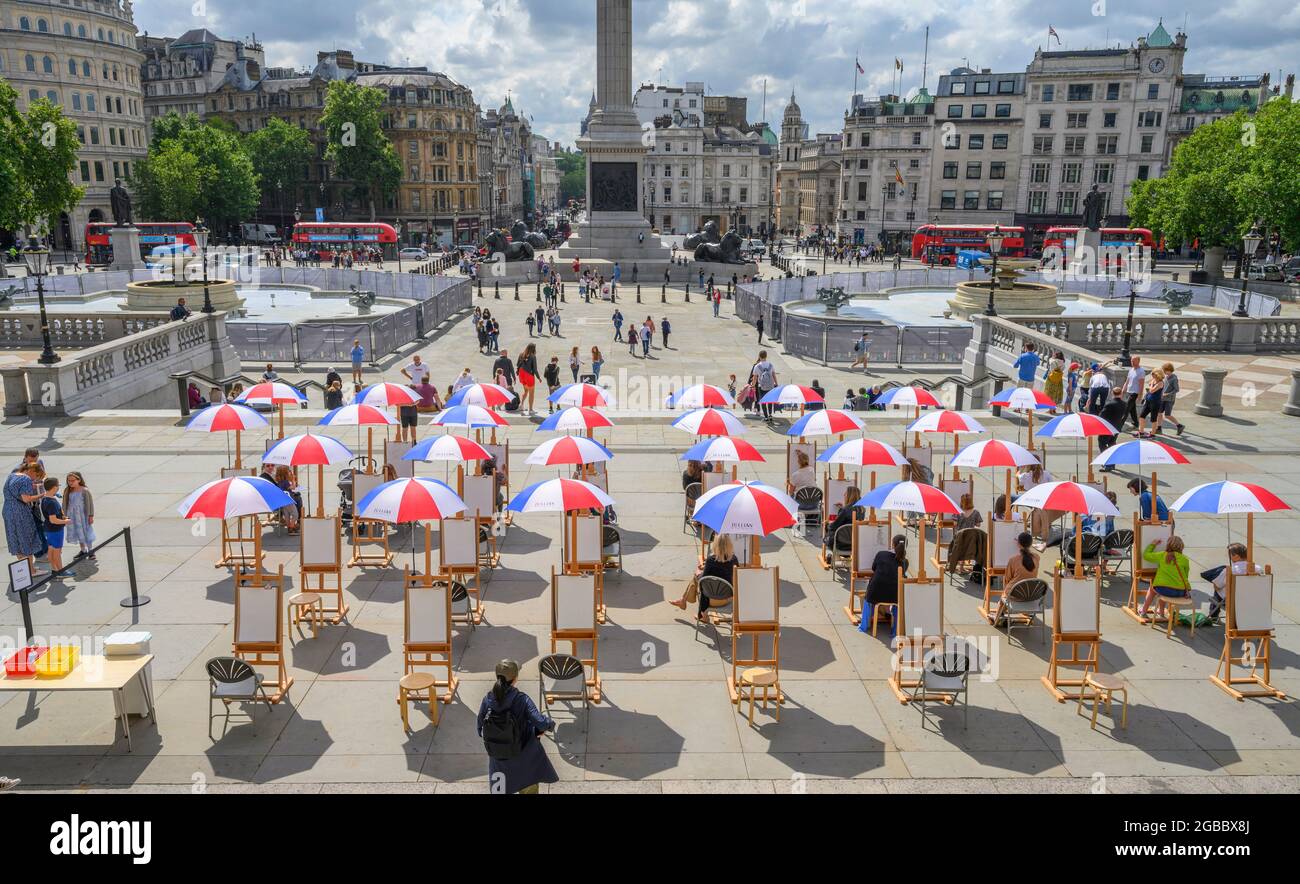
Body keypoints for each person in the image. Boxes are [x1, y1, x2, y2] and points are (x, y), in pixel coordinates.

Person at [476, 659, 558, 795]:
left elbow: (479, 729)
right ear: (515, 678)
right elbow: (541, 723)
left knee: (500, 791)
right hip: (524, 759)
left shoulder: (488, 700)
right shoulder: (522, 699)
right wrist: (549, 724)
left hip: (498, 761)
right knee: (529, 789)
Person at [669, 534, 739, 621]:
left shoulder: (710, 560)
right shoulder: (734, 559)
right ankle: (683, 601)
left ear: (715, 544)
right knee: (701, 578)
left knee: (697, 577)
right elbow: (737, 578)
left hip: (710, 599)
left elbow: (703, 582)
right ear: (729, 544)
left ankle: (698, 612)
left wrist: (699, 572)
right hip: (727, 599)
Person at [1203, 543, 1265, 622]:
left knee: (1217, 589)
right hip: (1253, 598)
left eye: (1230, 555)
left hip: (1233, 601)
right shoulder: (1258, 568)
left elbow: (1217, 586)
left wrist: (1215, 585)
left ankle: (1213, 616)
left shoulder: (1230, 570)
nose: (1229, 557)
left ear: (1236, 556)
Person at [1138, 535, 1191, 619]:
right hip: (1180, 592)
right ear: (1181, 547)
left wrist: (1153, 544)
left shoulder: (1162, 555)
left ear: (1168, 545)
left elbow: (1146, 555)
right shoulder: (1185, 560)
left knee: (1153, 589)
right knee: (1163, 589)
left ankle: (1143, 611)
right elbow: (1186, 576)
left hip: (1164, 590)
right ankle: (1161, 612)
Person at [4, 463, 46, 570]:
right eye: (36, 476)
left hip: (8, 510)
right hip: (20, 512)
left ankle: (25, 571)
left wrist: (36, 486)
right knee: (27, 539)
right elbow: (26, 499)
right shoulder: (26, 479)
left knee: (16, 539)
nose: (35, 479)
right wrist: (42, 495)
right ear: (32, 471)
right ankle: (31, 570)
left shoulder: (13, 475)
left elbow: (16, 489)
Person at [861, 535, 908, 629]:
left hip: (874, 594)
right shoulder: (905, 562)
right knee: (889, 588)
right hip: (894, 597)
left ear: (892, 544)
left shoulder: (881, 554)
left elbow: (873, 568)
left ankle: (866, 624)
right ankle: (893, 624)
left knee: (871, 591)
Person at [39, 477, 70, 576]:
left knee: (51, 549)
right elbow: (53, 520)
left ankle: (54, 569)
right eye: (57, 486)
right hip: (56, 530)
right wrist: (66, 521)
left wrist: (62, 517)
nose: (58, 488)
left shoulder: (45, 498)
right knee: (57, 551)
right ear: (54, 487)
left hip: (49, 529)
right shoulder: (51, 502)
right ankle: (61, 571)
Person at [62, 472, 95, 562]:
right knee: (78, 532)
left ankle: (91, 551)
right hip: (72, 516)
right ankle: (83, 550)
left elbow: (90, 504)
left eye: (73, 480)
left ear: (79, 480)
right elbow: (65, 503)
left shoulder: (84, 490)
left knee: (86, 532)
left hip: (83, 515)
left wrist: (90, 515)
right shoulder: (67, 490)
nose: (71, 482)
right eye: (69, 481)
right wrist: (64, 515)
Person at [823, 485, 865, 552]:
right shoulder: (862, 510)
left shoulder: (845, 510)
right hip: (855, 542)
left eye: (845, 494)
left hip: (841, 543)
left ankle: (830, 555)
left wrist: (828, 523)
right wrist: (842, 508)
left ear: (849, 496)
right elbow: (850, 518)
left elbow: (833, 527)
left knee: (827, 526)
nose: (844, 495)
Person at [1097, 388, 1129, 469]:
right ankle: (1112, 464)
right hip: (1117, 427)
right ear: (1121, 393)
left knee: (1102, 443)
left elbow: (1101, 416)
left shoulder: (1109, 404)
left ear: (1112, 393)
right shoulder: (1124, 404)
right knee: (1112, 444)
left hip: (1107, 428)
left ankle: (1107, 463)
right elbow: (1125, 416)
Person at [1158, 362, 1186, 436]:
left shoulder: (1174, 378)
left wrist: (1167, 394)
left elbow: (1176, 389)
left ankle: (1179, 426)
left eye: (1164, 370)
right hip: (1163, 398)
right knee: (1159, 413)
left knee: (1167, 415)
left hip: (1169, 400)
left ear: (1168, 370)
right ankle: (1159, 428)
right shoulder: (1165, 377)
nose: (1163, 372)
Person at [751, 351, 777, 423]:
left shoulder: (757, 366)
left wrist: (753, 385)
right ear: (766, 356)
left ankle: (766, 417)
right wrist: (776, 383)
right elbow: (774, 375)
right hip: (770, 386)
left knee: (763, 401)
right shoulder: (770, 365)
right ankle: (770, 415)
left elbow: (755, 378)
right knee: (769, 401)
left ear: (759, 356)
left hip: (761, 386)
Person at [274, 466, 301, 533]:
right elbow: (293, 487)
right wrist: (293, 480)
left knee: (287, 514)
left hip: (283, 501)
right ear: (285, 473)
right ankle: (291, 527)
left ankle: (289, 527)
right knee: (295, 514)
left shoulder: (279, 482)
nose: (290, 472)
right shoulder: (285, 482)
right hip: (289, 500)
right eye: (288, 471)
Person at [1122, 356, 1146, 431]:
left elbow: (1141, 384)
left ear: (1138, 361)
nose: (1132, 362)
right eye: (1131, 361)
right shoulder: (1131, 370)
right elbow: (1127, 381)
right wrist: (1123, 390)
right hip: (1129, 391)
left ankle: (1119, 425)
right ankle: (1136, 423)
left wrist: (1140, 395)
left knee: (1126, 409)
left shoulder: (1141, 371)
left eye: (1134, 361)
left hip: (1135, 393)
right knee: (1132, 409)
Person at [516, 344, 539, 414]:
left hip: (521, 374)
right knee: (531, 393)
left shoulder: (521, 354)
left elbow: (517, 364)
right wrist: (538, 377)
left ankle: (521, 405)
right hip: (529, 375)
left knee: (526, 391)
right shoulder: (533, 356)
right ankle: (530, 410)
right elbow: (535, 369)